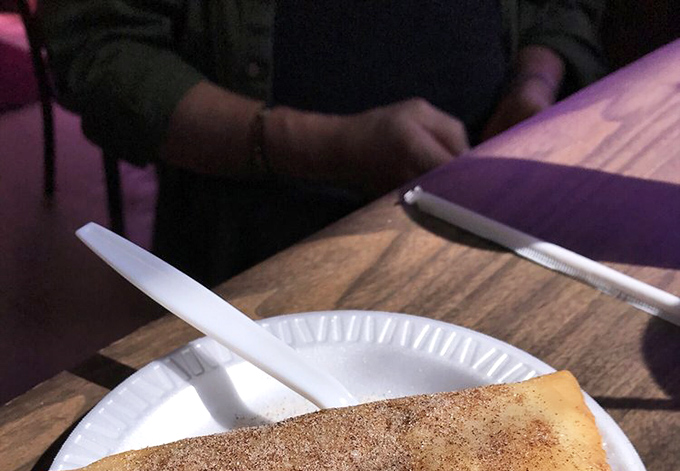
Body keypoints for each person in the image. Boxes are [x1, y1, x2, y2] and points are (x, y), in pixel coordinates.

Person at [43, 1, 607, 286]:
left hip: (495, 213)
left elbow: (564, 8)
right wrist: (324, 146)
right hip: (252, 248)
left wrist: (534, 84)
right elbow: (98, 51)